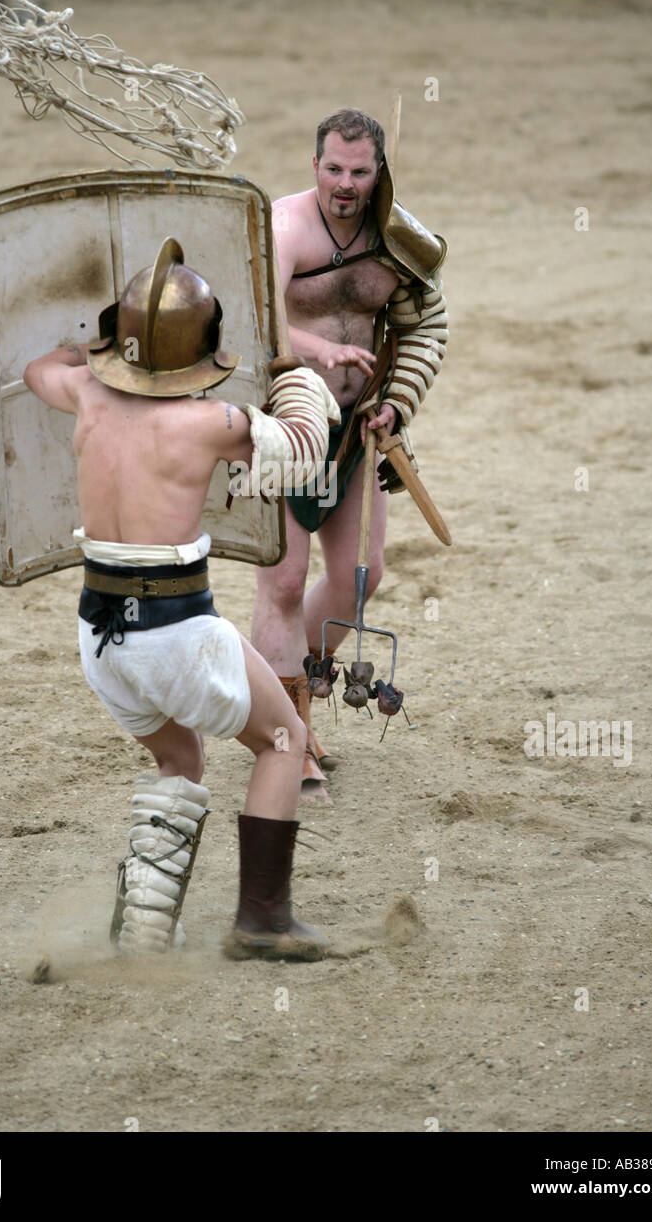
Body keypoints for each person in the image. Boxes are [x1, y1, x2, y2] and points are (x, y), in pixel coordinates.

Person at [23, 237, 340, 961]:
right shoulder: (209, 424)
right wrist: (295, 376)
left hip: (101, 639)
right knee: (284, 739)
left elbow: (36, 367)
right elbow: (300, 448)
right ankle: (263, 919)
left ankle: (143, 931)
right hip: (175, 632)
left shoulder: (85, 396)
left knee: (181, 762)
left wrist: (98, 356)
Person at [253, 108, 448, 802]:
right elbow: (259, 314)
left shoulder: (398, 237)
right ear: (315, 166)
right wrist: (319, 350)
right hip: (283, 427)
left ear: (378, 171)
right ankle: (290, 737)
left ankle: (274, 690)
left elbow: (428, 325)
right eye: (333, 168)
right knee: (282, 581)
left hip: (355, 433)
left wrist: (396, 400)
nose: (345, 183)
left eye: (359, 172)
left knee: (360, 579)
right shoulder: (281, 226)